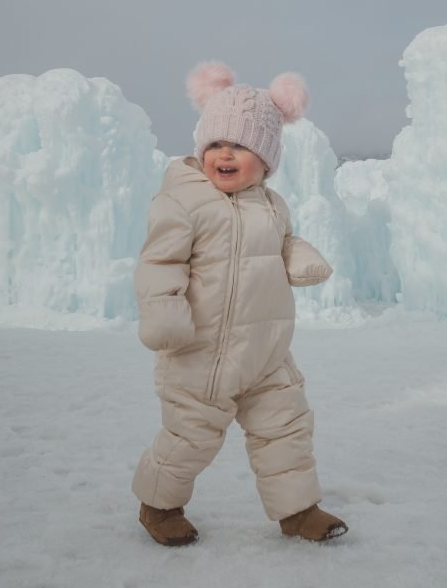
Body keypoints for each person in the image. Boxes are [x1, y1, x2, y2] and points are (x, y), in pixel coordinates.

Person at [132, 61, 348, 546]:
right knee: (190, 438)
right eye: (216, 144)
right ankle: (159, 506)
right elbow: (160, 261)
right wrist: (164, 311)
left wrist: (299, 255)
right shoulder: (183, 201)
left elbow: (282, 242)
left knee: (286, 429)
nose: (225, 154)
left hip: (266, 353)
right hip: (200, 355)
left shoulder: (271, 205)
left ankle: (299, 511)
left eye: (241, 146)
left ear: (266, 160)